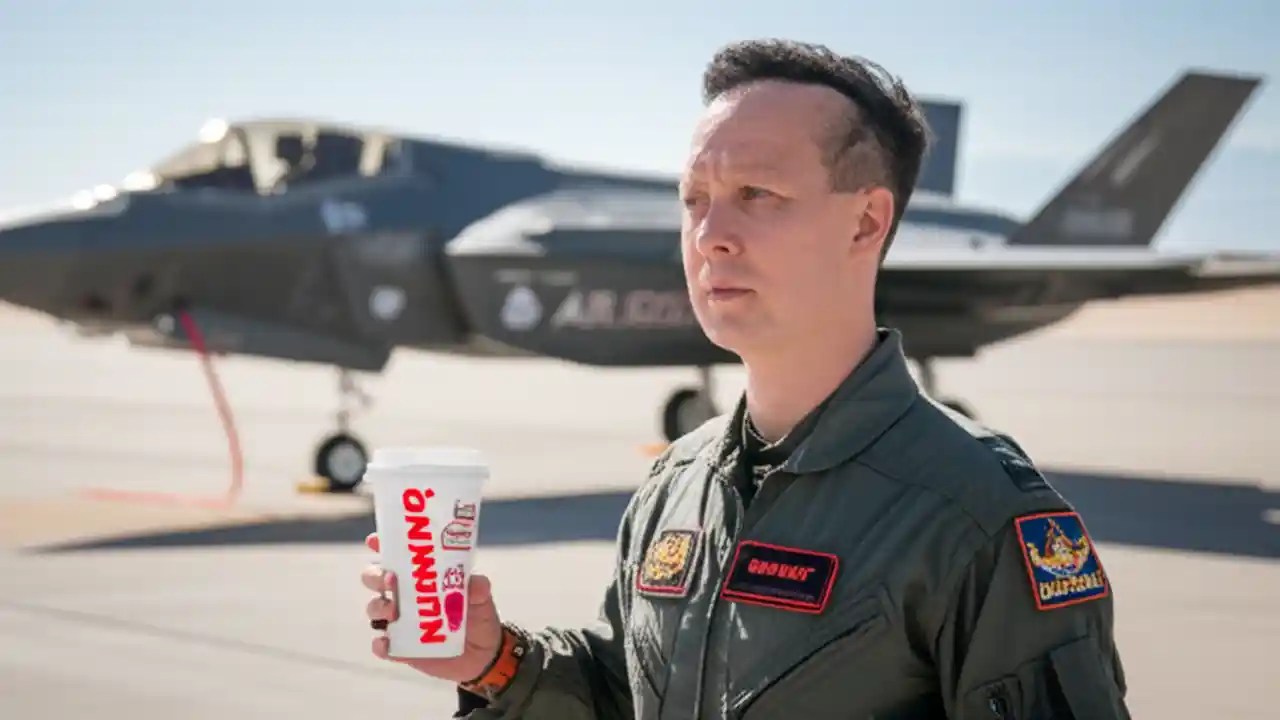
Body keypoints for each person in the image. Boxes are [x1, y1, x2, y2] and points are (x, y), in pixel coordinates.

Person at [362, 38, 1131, 719]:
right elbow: (625, 696)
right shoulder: (677, 485)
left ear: (866, 222)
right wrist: (495, 659)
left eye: (756, 195)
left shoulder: (977, 516)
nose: (710, 236)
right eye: (694, 200)